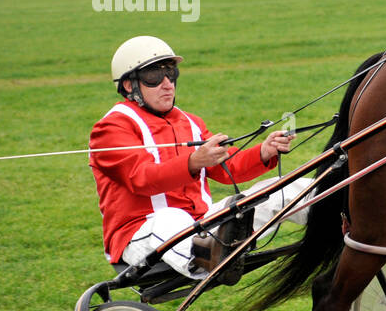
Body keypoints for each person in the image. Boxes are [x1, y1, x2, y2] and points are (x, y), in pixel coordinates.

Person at [90, 36, 311, 277]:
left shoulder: (190, 122)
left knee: (288, 188)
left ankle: (348, 226)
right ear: (130, 85)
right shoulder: (110, 129)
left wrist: (264, 151)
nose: (167, 84)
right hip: (139, 234)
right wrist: (193, 162)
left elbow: (229, 169)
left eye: (171, 74)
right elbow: (141, 178)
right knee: (170, 217)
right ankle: (210, 262)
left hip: (201, 226)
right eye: (153, 76)